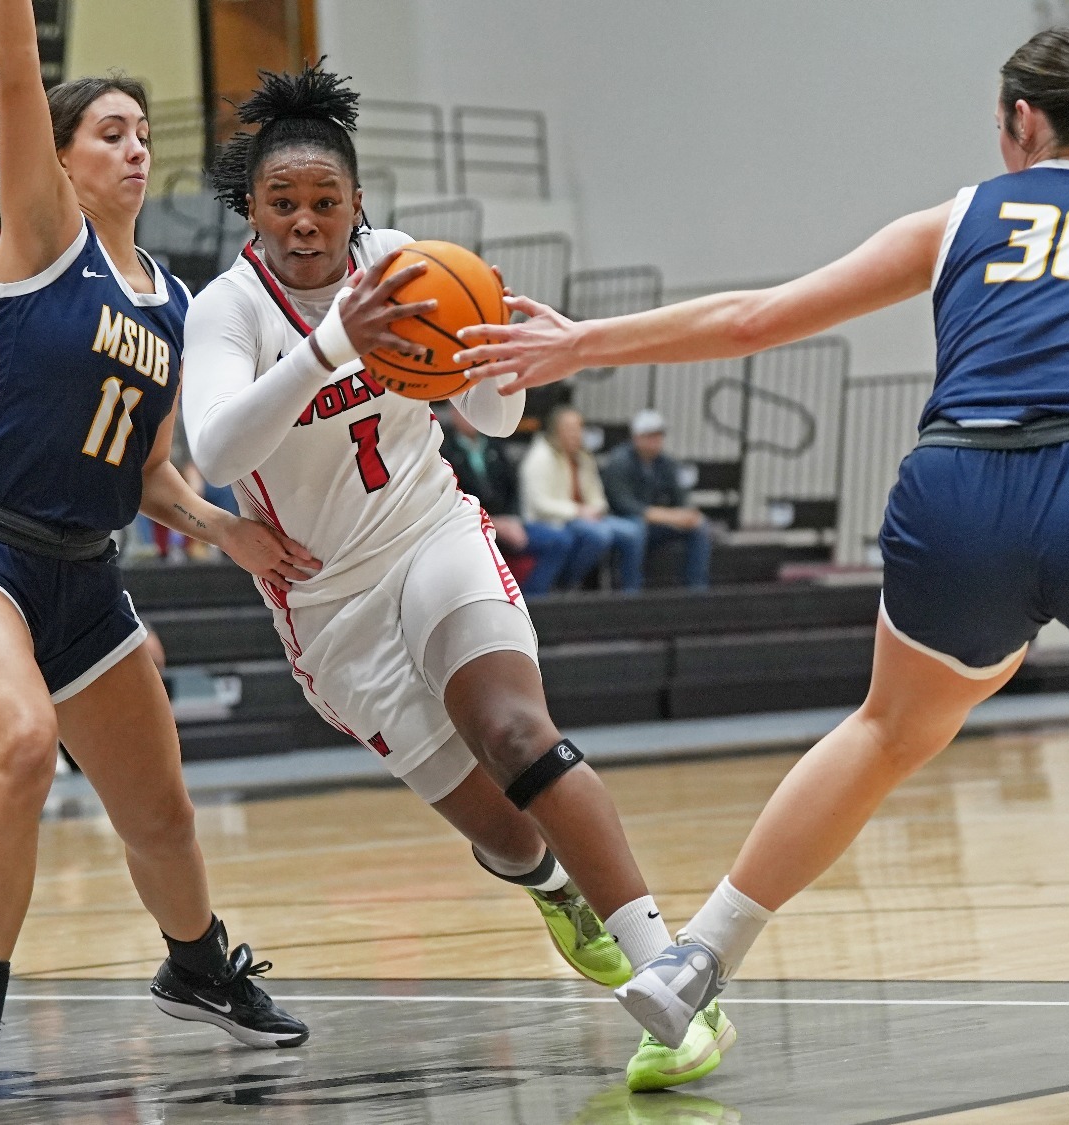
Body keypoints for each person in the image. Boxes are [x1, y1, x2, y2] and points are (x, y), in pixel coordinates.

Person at [459, 26, 1069, 1118]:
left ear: (1020, 121)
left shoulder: (957, 218)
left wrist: (580, 344)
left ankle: (692, 960)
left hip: (953, 492)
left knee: (884, 731)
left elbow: (755, 317)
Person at [182, 64, 713, 1093]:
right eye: (281, 203)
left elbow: (494, 421)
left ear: (357, 204)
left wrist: (504, 367)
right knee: (506, 835)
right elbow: (213, 449)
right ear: (250, 209)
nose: (304, 223)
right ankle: (552, 890)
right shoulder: (227, 313)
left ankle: (670, 985)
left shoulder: (410, 267)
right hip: (328, 606)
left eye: (324, 202)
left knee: (517, 733)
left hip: (430, 533)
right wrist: (333, 342)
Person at [0, 7, 315, 1115]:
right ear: (63, 160)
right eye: (110, 132)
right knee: (24, 743)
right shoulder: (42, 239)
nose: (135, 148)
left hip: (85, 574)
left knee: (162, 816)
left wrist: (222, 528)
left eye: (142, 134)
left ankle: (197, 965)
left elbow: (150, 473)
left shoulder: (173, 305)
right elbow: (15, 74)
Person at [519, 405, 638, 594]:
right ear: (555, 430)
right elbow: (539, 504)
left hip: (586, 518)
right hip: (552, 521)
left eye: (579, 428)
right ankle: (567, 583)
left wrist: (596, 509)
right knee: (599, 535)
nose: (576, 434)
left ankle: (631, 593)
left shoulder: (583, 457)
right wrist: (578, 511)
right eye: (570, 428)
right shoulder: (540, 457)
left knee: (632, 532)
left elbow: (597, 495)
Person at [600, 410, 712, 590]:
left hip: (657, 524)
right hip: (625, 520)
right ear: (636, 437)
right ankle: (630, 593)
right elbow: (623, 504)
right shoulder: (619, 461)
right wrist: (667, 516)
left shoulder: (668, 462)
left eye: (659, 435)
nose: (655, 441)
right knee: (635, 529)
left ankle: (697, 590)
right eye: (650, 436)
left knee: (699, 526)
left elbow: (681, 497)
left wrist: (687, 514)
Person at [440, 402, 547, 572]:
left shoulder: (494, 445)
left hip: (507, 520)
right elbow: (452, 499)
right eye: (464, 412)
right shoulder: (444, 450)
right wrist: (492, 522)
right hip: (470, 525)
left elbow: (513, 486)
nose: (471, 418)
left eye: (475, 412)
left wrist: (513, 518)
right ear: (453, 414)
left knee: (557, 541)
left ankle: (538, 596)